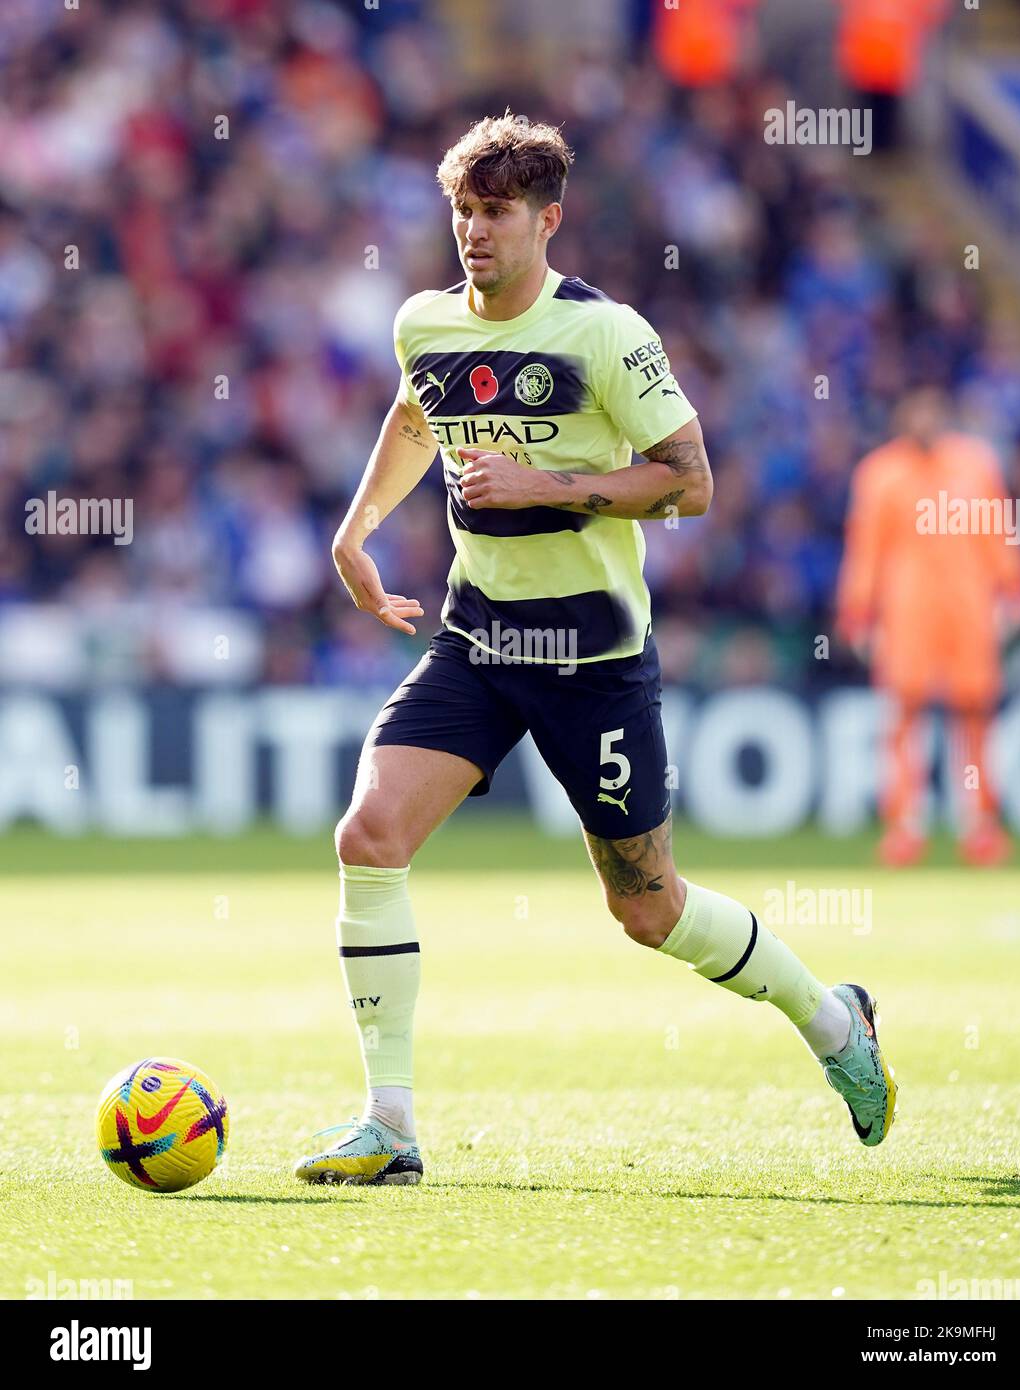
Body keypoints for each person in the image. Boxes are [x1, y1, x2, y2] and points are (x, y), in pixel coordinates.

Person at [294, 112, 896, 1185]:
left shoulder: (605, 336)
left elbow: (691, 482)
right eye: (463, 212)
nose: (474, 233)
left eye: (497, 213)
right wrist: (356, 532)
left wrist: (551, 485)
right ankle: (389, 1125)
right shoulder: (424, 324)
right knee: (368, 835)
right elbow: (412, 417)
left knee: (646, 908)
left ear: (548, 219)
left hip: (593, 654)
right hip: (476, 638)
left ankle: (832, 1021)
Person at [837, 386, 1020, 867]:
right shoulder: (879, 473)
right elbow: (867, 548)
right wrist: (858, 612)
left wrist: (1013, 590)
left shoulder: (975, 463)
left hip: (969, 608)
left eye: (931, 409)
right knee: (904, 716)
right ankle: (905, 827)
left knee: (975, 712)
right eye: (915, 409)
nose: (924, 418)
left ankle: (980, 825)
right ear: (904, 415)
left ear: (943, 413)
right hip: (907, 613)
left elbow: (998, 533)